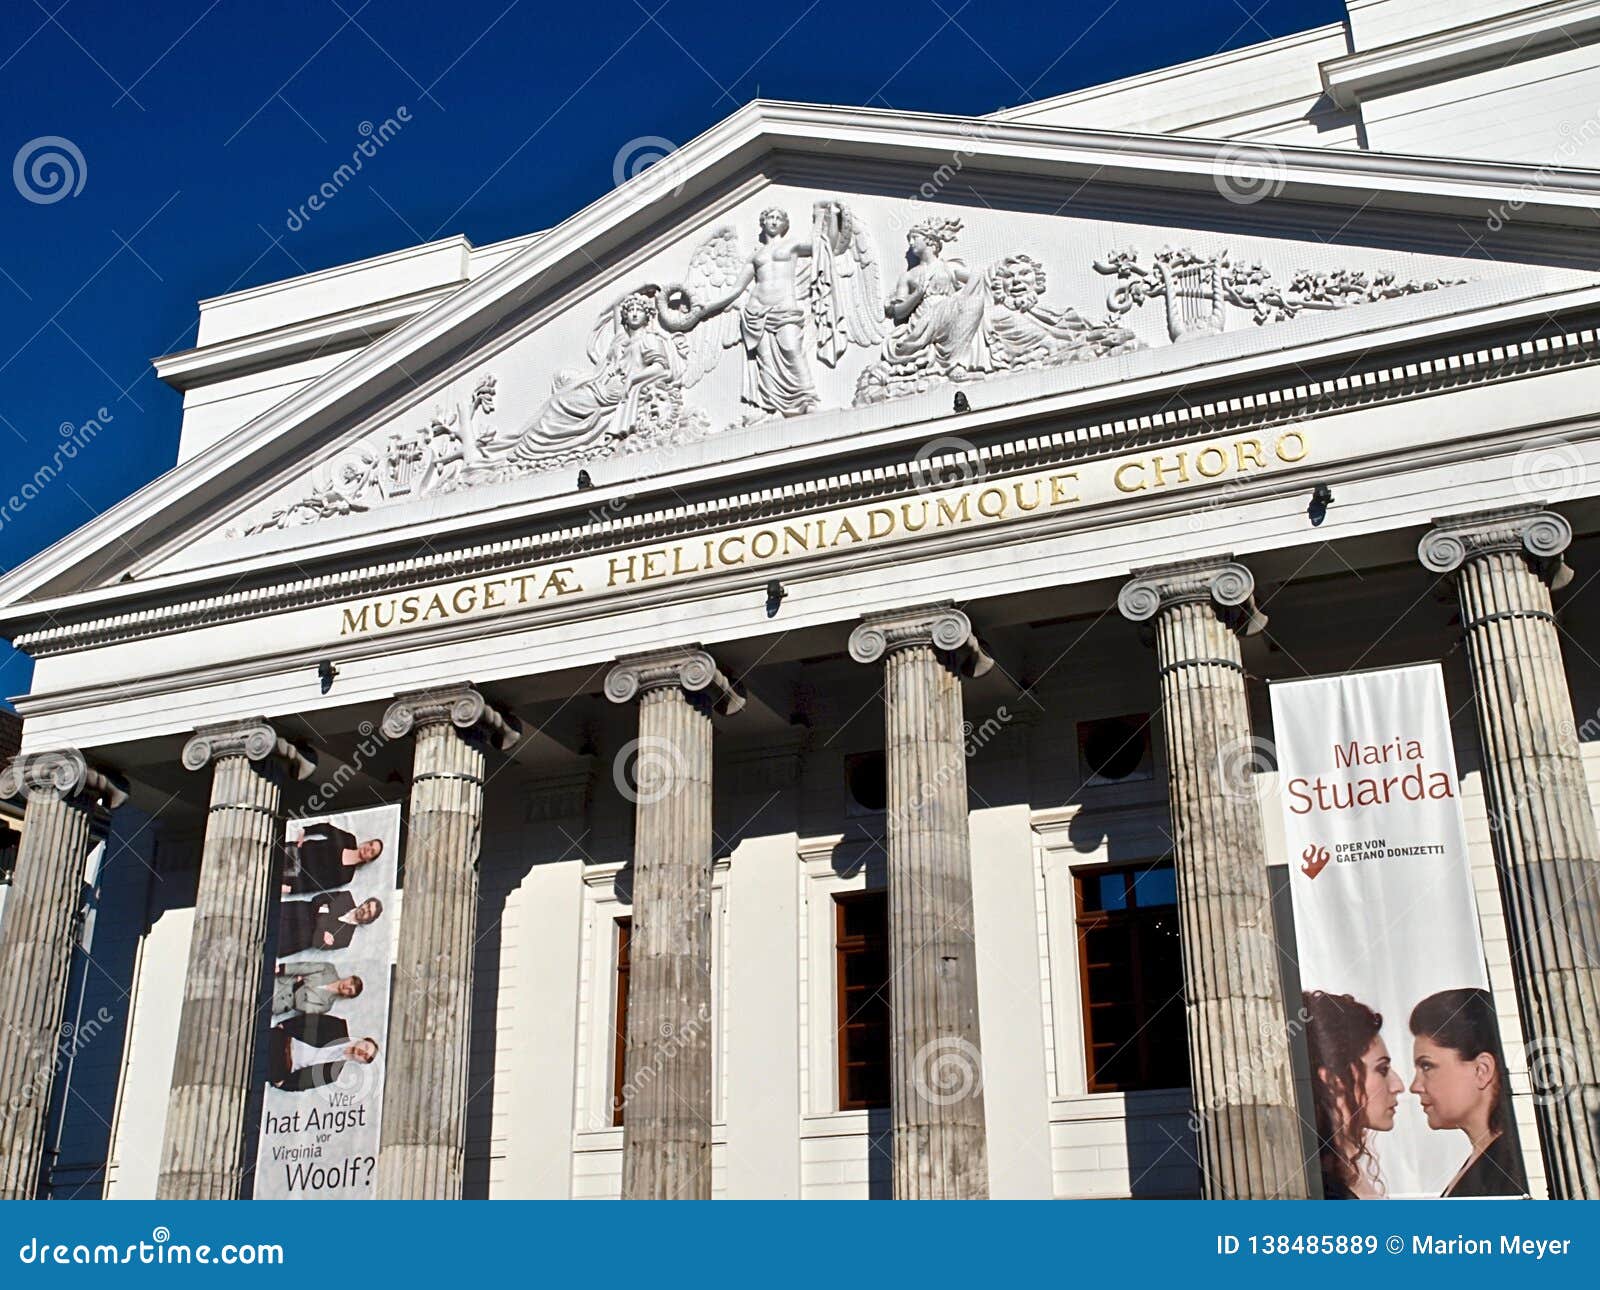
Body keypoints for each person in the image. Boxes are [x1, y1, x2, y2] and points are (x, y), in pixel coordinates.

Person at [1409, 987, 1528, 1197]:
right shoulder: (1491, 1160)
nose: (1415, 1086)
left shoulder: (1513, 1170)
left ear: (1482, 1070)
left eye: (1427, 1066)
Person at [1302, 990, 1403, 1198]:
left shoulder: (1344, 1166)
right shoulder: (1322, 1185)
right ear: (1333, 1080)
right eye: (1382, 1070)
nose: (1398, 1085)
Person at [268, 1013, 378, 1093]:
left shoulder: (333, 1074)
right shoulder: (339, 1026)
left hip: (280, 1068)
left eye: (365, 1057)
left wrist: (283, 1085)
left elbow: (305, 1084)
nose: (363, 1052)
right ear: (362, 1040)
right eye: (366, 1047)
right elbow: (310, 1019)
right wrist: (284, 1026)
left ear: (361, 1062)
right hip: (281, 1040)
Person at [281, 820, 382, 895]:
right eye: (370, 844)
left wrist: (291, 889)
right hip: (296, 851)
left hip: (296, 874)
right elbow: (326, 828)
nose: (368, 848)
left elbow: (318, 886)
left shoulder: (347, 876)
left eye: (372, 852)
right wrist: (305, 831)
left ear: (369, 859)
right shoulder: (349, 839)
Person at [277, 892, 383, 957]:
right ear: (364, 903)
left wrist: (325, 910)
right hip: (293, 912)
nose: (365, 910)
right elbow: (317, 900)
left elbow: (317, 943)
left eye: (369, 912)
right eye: (367, 905)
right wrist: (323, 930)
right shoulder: (346, 896)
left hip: (294, 939)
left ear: (367, 920)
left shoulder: (345, 939)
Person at [271, 960, 362, 1022]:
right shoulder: (329, 969)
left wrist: (300, 984)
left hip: (279, 1004)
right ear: (349, 977)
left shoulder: (326, 1006)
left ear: (346, 996)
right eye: (350, 982)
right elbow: (305, 967)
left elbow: (302, 1006)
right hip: (279, 981)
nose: (347, 986)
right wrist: (282, 969)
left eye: (349, 991)